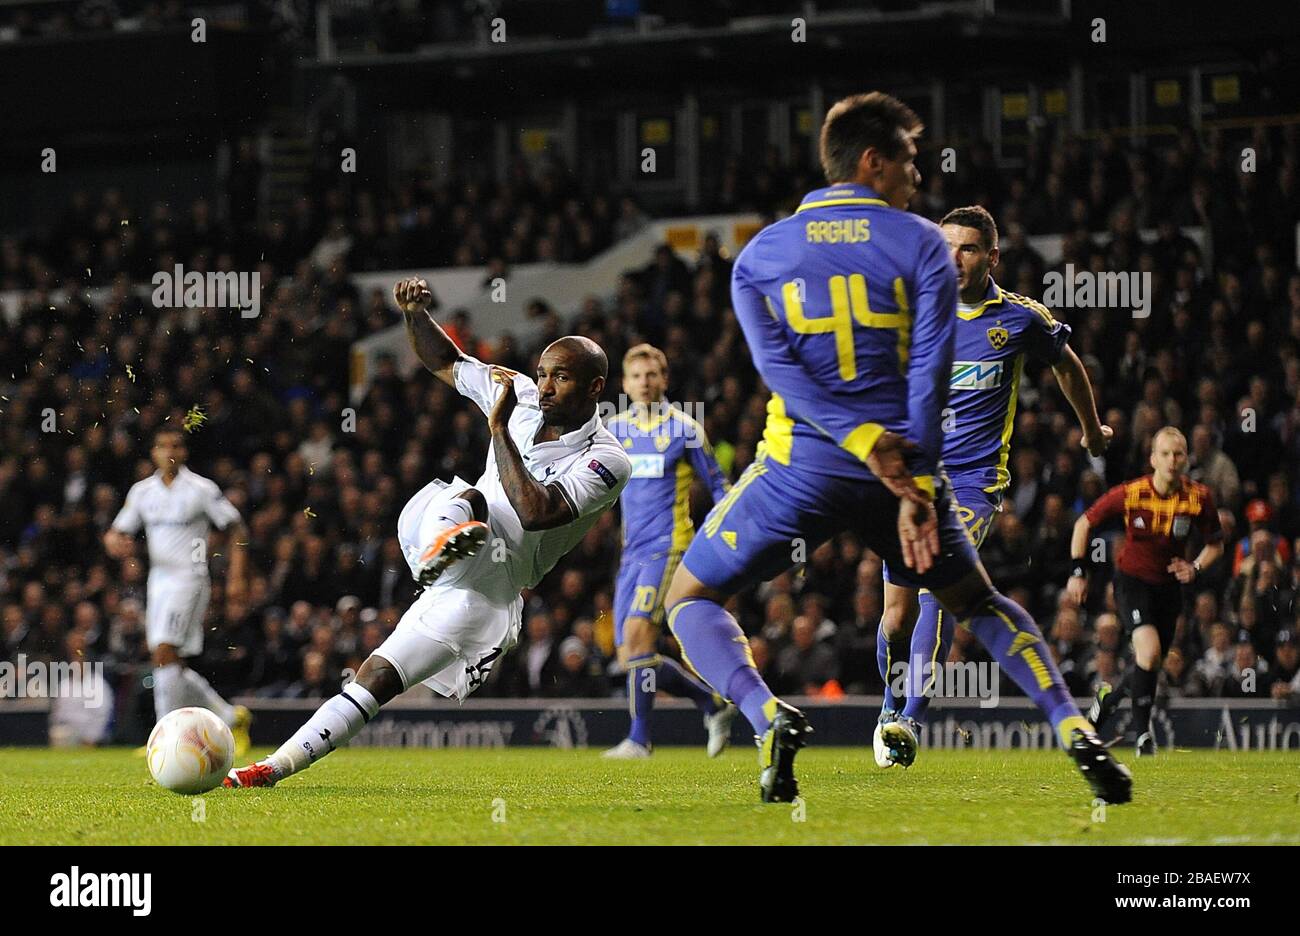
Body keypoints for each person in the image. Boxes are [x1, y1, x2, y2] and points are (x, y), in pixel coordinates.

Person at [662, 91, 1131, 804]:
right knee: (978, 602)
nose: (919, 174)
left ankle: (766, 717)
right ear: (873, 162)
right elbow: (930, 376)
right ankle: (1072, 727)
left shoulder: (759, 255)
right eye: (910, 160)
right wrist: (911, 479)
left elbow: (779, 372)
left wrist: (860, 443)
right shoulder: (919, 244)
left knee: (689, 597)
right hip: (904, 477)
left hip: (800, 469)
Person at [224, 276, 631, 788]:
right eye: (543, 373)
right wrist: (416, 315)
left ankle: (271, 769)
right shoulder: (522, 395)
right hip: (454, 532)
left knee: (377, 678)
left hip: (490, 590)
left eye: (561, 378)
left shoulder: (608, 459)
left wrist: (499, 430)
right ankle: (267, 768)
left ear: (594, 388)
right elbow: (446, 363)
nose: (545, 386)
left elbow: (535, 512)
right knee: (469, 499)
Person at [871, 204, 1112, 769]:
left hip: (974, 485)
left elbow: (1068, 366)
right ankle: (887, 709)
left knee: (936, 586)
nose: (955, 258)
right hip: (911, 482)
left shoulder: (1021, 318)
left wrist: (1091, 431)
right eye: (947, 246)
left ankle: (910, 718)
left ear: (992, 257)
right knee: (894, 618)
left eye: (969, 248)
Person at [603, 343, 736, 758]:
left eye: (652, 375)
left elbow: (719, 487)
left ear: (664, 379)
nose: (645, 383)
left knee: (642, 638)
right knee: (630, 655)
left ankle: (639, 740)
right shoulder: (615, 432)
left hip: (670, 546)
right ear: (625, 383)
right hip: (632, 553)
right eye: (637, 376)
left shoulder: (685, 430)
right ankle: (711, 704)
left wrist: (731, 535)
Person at [1070, 426, 1224, 755]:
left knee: (1149, 662)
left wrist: (1194, 567)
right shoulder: (1132, 493)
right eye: (1165, 453)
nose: (1172, 459)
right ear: (1153, 458)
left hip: (1169, 589)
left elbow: (1216, 544)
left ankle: (1106, 702)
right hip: (1132, 582)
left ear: (1186, 459)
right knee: (1149, 651)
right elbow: (1084, 523)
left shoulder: (1198, 497)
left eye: (1178, 453)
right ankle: (1142, 737)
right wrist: (1078, 571)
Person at [104, 427, 252, 754]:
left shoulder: (201, 489)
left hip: (190, 576)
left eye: (176, 445)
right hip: (158, 582)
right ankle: (229, 716)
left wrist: (237, 576)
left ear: (184, 452)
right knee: (170, 662)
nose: (169, 451)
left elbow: (236, 527)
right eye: (162, 445)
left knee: (164, 652)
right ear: (153, 452)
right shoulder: (142, 492)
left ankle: (165, 736)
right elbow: (116, 532)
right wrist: (117, 545)